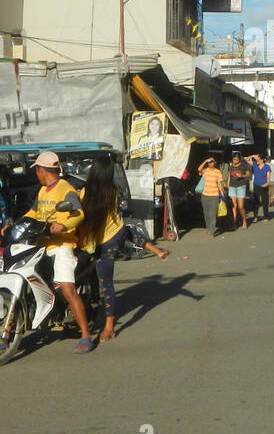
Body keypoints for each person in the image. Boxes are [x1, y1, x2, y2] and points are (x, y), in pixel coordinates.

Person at [76, 159, 170, 345]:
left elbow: (87, 219)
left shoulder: (88, 193)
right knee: (127, 231)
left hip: (107, 241)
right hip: (117, 233)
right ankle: (154, 249)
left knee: (106, 284)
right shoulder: (111, 191)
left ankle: (109, 327)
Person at [19, 150, 89, 354]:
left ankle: (85, 335)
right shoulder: (42, 191)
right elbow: (33, 212)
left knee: (68, 289)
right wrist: (17, 224)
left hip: (62, 245)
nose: (36, 174)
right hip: (40, 243)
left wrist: (63, 224)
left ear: (41, 170)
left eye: (36, 170)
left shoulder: (65, 188)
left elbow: (79, 213)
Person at [197, 156, 224, 239]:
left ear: (214, 163)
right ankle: (208, 228)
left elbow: (219, 183)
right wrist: (205, 161)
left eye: (212, 161)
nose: (210, 163)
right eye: (209, 162)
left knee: (212, 214)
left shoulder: (218, 172)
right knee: (206, 214)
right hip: (205, 195)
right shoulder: (205, 171)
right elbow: (199, 169)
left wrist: (222, 193)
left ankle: (212, 231)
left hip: (214, 195)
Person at [227, 152, 252, 230]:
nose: (235, 161)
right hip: (232, 187)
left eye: (237, 160)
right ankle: (234, 223)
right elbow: (229, 176)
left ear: (239, 159)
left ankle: (244, 220)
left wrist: (242, 176)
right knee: (234, 206)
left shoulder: (243, 165)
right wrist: (227, 186)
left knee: (241, 207)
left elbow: (248, 174)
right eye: (234, 159)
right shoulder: (230, 166)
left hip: (241, 186)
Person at [250, 154, 274, 224]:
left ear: (261, 160)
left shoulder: (267, 167)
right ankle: (255, 217)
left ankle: (266, 216)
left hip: (264, 186)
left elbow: (268, 178)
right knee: (255, 202)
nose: (256, 160)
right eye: (256, 159)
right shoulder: (254, 165)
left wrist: (266, 184)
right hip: (256, 186)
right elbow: (246, 160)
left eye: (258, 159)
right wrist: (252, 156)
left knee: (265, 202)